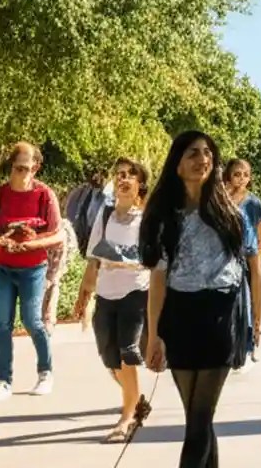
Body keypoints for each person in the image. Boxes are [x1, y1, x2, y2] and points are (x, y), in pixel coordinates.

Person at [142, 131, 253, 468]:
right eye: (192, 153)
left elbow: (249, 268)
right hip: (180, 317)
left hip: (219, 316)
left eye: (207, 153)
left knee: (200, 420)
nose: (202, 159)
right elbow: (157, 279)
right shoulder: (164, 217)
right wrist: (153, 334)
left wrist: (254, 322)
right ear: (177, 164)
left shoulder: (230, 215)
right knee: (198, 420)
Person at [73, 158, 154, 442]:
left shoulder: (147, 219)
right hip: (106, 292)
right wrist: (84, 293)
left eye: (130, 175)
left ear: (140, 185)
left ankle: (127, 416)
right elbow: (95, 256)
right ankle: (135, 399)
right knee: (109, 357)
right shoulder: (105, 215)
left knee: (127, 351)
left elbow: (152, 260)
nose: (123, 179)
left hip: (135, 291)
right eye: (119, 174)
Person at [0, 142, 64, 401]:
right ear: (11, 166)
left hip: (33, 268)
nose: (25, 174)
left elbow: (58, 234)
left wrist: (29, 243)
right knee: (2, 324)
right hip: (4, 266)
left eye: (30, 168)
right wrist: (1, 242)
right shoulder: (0, 194)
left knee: (32, 320)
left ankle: (46, 372)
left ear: (36, 167)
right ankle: (3, 381)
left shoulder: (44, 195)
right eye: (19, 168)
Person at [224, 158, 261, 372]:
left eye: (245, 174)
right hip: (225, 257)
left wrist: (260, 255)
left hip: (247, 255)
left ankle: (249, 343)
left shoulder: (254, 203)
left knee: (246, 304)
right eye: (237, 174)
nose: (241, 179)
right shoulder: (222, 199)